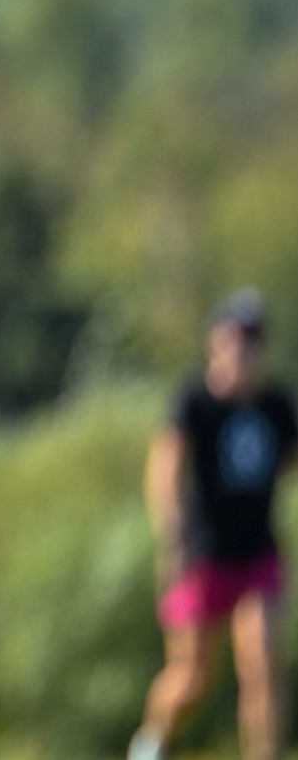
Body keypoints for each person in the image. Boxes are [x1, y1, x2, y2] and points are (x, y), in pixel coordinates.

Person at [130, 291, 296, 760]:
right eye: (234, 340)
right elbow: (165, 470)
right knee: (193, 680)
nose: (243, 352)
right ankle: (152, 739)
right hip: (202, 556)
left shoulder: (275, 405)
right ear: (215, 344)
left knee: (262, 659)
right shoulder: (194, 403)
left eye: (252, 342)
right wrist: (173, 534)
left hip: (257, 554)